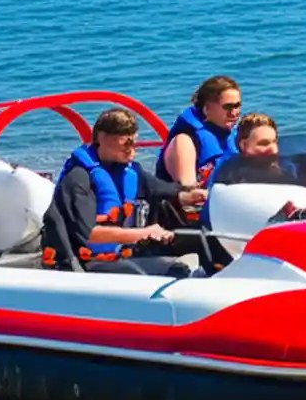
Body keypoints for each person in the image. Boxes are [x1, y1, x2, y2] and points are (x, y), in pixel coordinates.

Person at [40, 108, 206, 276]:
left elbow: (164, 191)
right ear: (102, 138)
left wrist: (191, 196)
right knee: (154, 272)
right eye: (126, 143)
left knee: (190, 259)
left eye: (134, 142)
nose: (132, 149)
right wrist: (144, 232)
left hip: (125, 253)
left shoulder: (131, 171)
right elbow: (89, 234)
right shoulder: (78, 178)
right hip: (89, 261)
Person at [154, 75, 242, 189]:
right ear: (207, 109)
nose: (234, 113)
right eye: (228, 107)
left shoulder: (233, 136)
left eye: (237, 106)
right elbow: (188, 195)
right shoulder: (184, 142)